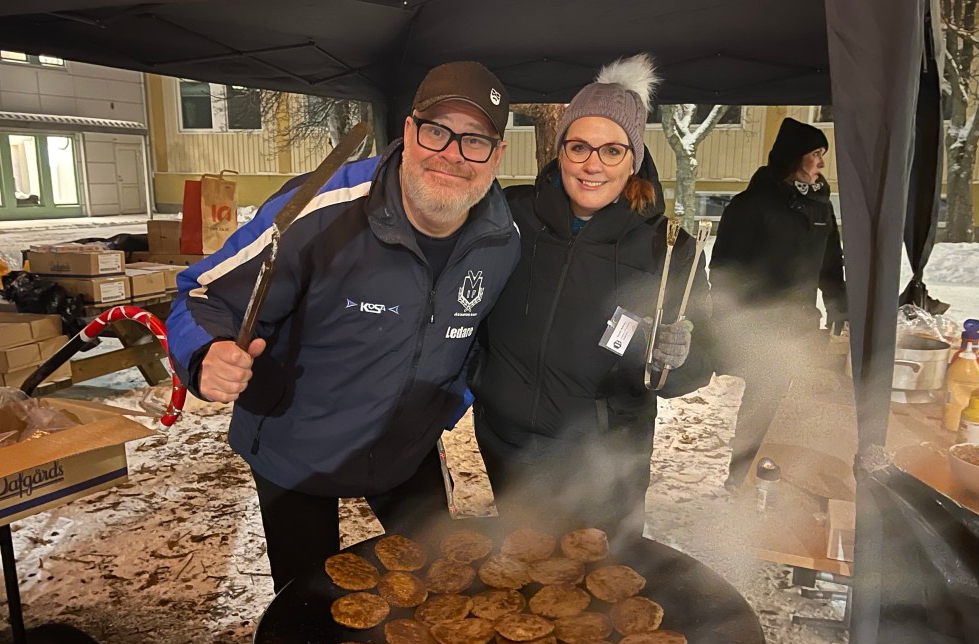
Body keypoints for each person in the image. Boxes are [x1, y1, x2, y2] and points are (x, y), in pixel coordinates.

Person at [166, 61, 520, 592]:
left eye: (474, 141)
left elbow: (478, 339)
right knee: (307, 609)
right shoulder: (317, 211)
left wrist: (449, 403)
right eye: (437, 131)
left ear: (497, 156)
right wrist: (206, 353)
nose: (452, 154)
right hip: (298, 447)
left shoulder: (501, 240)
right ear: (408, 131)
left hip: (406, 448)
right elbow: (204, 294)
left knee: (442, 587)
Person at [469, 54, 714, 542]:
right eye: (579, 147)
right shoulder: (510, 215)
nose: (592, 165)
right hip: (509, 444)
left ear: (635, 158)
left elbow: (697, 363)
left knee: (603, 589)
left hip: (605, 458)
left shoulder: (667, 248)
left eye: (611, 151)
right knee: (520, 574)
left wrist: (681, 358)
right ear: (560, 151)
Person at [709, 117, 848, 491]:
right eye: (815, 153)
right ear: (792, 157)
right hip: (760, 325)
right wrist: (727, 319)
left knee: (799, 405)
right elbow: (723, 267)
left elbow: (831, 262)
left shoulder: (821, 207)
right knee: (762, 404)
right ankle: (740, 481)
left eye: (823, 154)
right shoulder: (751, 205)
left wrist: (838, 301)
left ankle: (782, 480)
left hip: (802, 322)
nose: (821, 161)